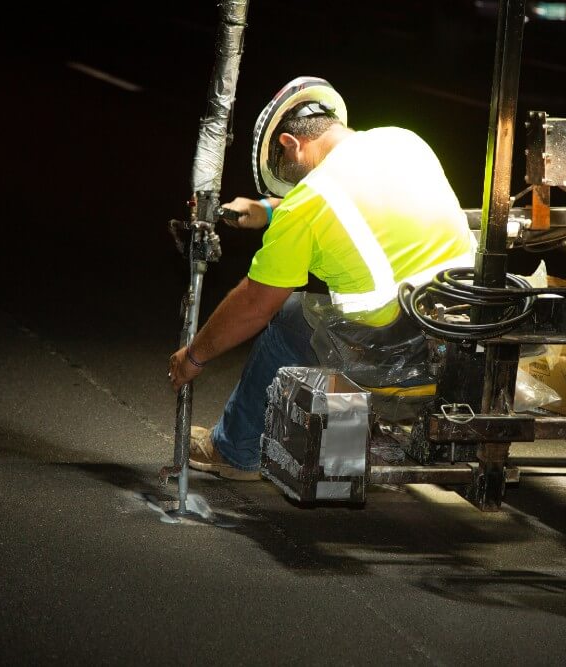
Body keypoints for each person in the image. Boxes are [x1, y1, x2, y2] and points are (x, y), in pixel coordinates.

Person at [167, 75, 475, 480]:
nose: (294, 188)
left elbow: (253, 305)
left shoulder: (307, 206)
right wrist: (268, 209)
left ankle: (235, 449)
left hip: (397, 356)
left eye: (287, 175)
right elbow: (368, 202)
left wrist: (194, 356)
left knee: (291, 315)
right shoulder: (402, 140)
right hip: (464, 329)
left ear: (289, 144)